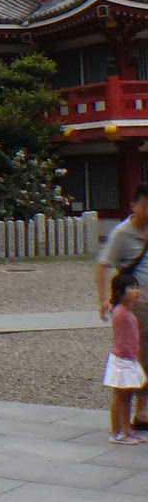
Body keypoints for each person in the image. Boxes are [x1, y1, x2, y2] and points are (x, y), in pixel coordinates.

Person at [97, 183, 148, 429]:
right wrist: (103, 298)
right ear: (134, 205)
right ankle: (132, 417)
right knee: (135, 357)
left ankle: (141, 413)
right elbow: (103, 264)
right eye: (145, 205)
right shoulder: (122, 233)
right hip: (135, 308)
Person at [105, 271, 147, 443]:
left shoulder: (129, 311)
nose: (135, 291)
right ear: (120, 292)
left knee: (127, 396)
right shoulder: (121, 312)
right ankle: (117, 432)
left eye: (136, 287)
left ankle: (126, 429)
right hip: (123, 360)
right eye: (130, 288)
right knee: (120, 396)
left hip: (129, 359)